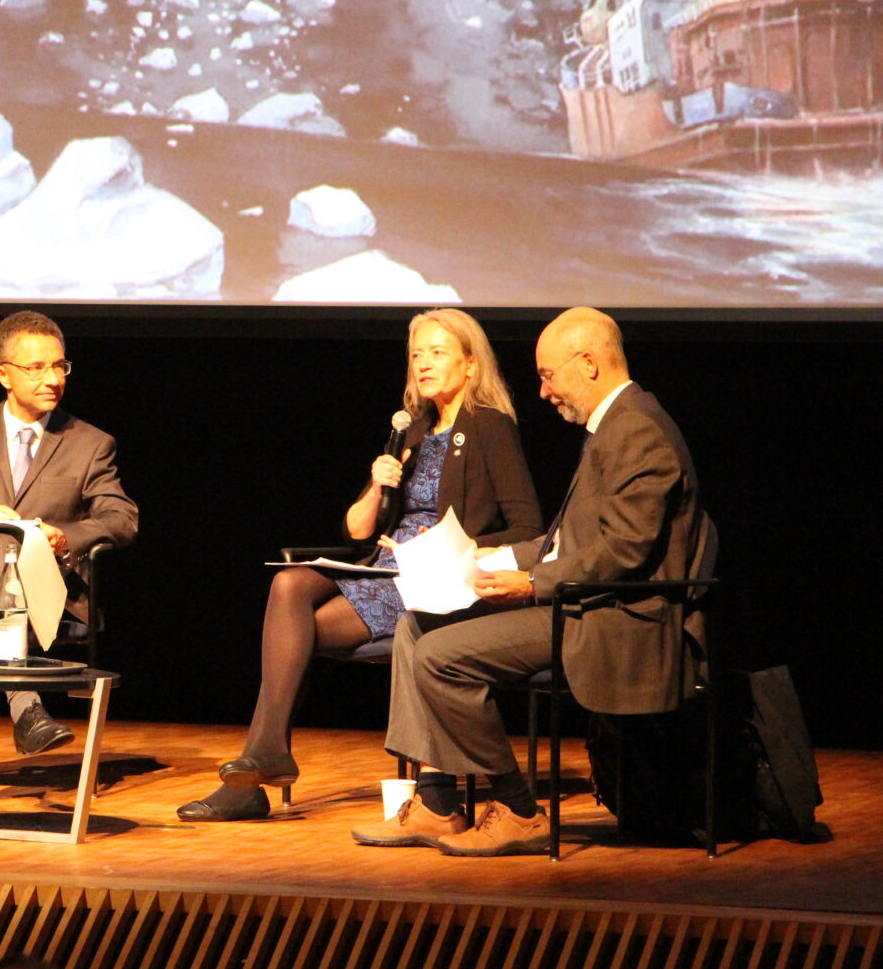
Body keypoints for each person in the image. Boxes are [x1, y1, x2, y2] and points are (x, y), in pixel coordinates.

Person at [353, 306, 706, 856]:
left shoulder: (636, 429)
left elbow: (624, 551)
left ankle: (519, 809)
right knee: (417, 626)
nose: (543, 392)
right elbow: (572, 540)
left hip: (615, 616)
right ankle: (437, 801)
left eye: (548, 375)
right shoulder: (616, 424)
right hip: (582, 599)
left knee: (440, 657)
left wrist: (531, 582)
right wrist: (491, 556)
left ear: (588, 364)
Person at [178, 309, 542, 822]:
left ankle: (253, 777)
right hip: (388, 568)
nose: (422, 364)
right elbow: (357, 530)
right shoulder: (412, 430)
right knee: (288, 585)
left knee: (292, 638)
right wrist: (377, 484)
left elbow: (528, 528)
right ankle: (264, 757)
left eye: (437, 353)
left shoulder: (490, 426)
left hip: (435, 579)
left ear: (470, 365)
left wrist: (454, 545)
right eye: (416, 354)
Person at [0, 310, 138, 810]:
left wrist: (62, 536)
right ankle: (25, 703)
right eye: (36, 368)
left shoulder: (90, 443)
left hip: (42, 587)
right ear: (4, 374)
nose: (52, 379)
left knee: (4, 558)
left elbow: (122, 519)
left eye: (60, 366)